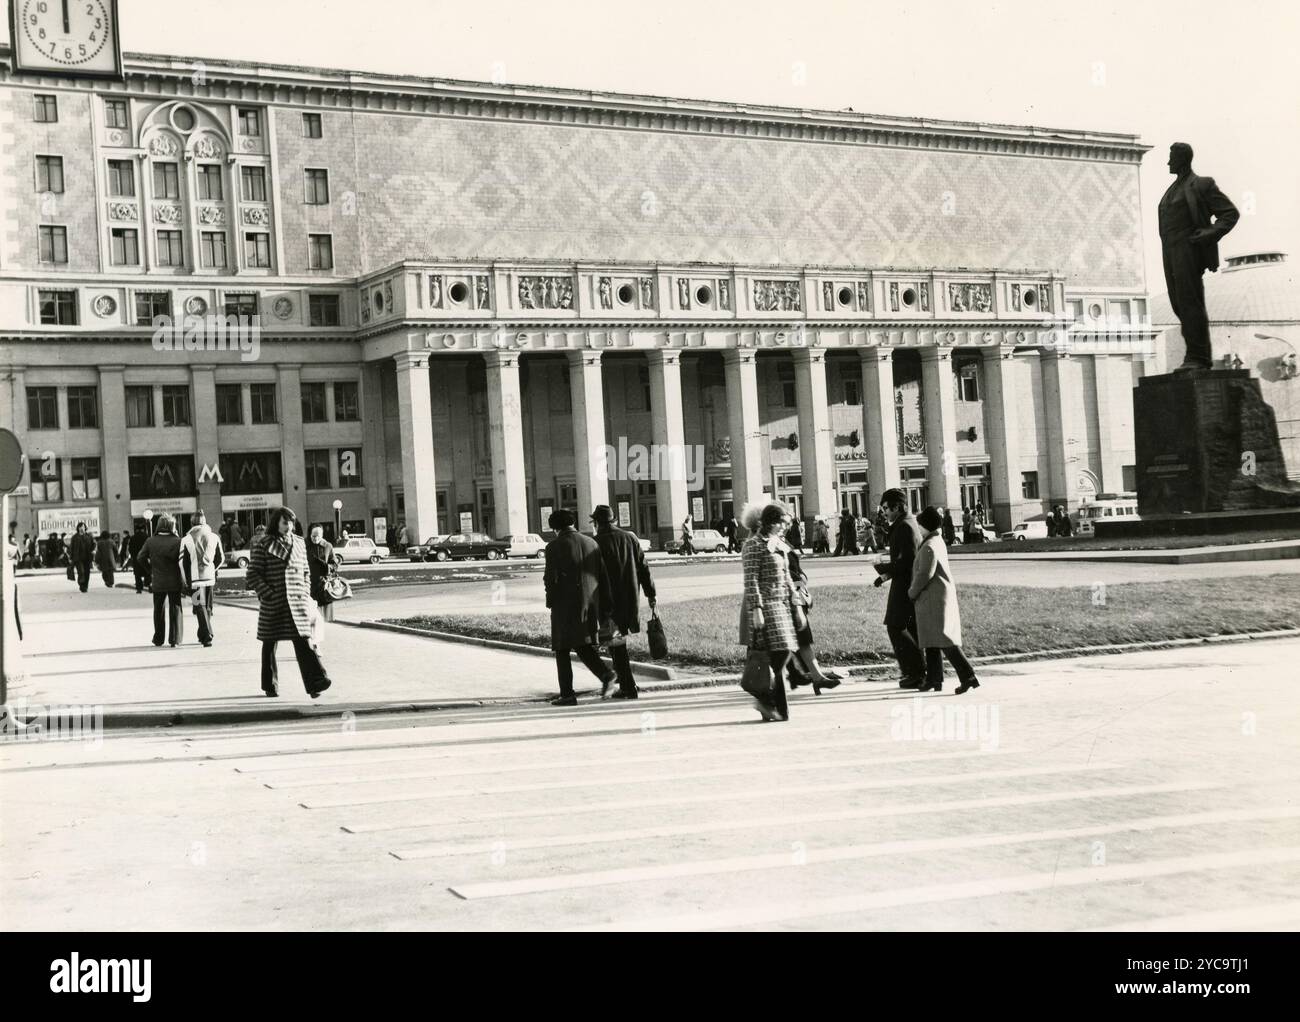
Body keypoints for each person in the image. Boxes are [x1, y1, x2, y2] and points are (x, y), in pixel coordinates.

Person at [1160, 142, 1240, 370]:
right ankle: (1195, 353)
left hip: (1189, 249)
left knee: (1190, 301)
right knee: (1178, 303)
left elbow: (1230, 214)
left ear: (1183, 159)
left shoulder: (1202, 184)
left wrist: (1208, 234)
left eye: (1172, 158)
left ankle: (1198, 357)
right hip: (1170, 251)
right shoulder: (1172, 189)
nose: (1168, 162)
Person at [247, 506, 331, 698]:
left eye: (292, 522)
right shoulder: (264, 544)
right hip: (275, 603)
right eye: (285, 523)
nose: (289, 527)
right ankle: (270, 685)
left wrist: (305, 591)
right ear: (276, 523)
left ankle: (316, 683)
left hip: (297, 602)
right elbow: (252, 573)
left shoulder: (300, 543)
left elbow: (306, 572)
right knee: (269, 644)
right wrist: (267, 593)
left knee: (304, 642)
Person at [543, 509, 616, 706]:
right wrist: (606, 604)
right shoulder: (592, 542)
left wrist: (550, 600)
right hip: (590, 604)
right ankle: (606, 674)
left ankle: (567, 694)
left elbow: (550, 578)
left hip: (565, 605)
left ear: (556, 528)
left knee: (562, 648)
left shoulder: (554, 547)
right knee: (582, 644)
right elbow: (603, 575)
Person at [908, 506, 980, 694]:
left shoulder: (929, 545)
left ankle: (968, 676)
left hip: (932, 598)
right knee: (931, 640)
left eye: (919, 524)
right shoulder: (935, 540)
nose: (918, 527)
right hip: (936, 597)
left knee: (944, 641)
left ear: (925, 526)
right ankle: (934, 679)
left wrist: (912, 592)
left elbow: (925, 574)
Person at [739, 500, 797, 722]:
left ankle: (771, 704)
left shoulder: (777, 543)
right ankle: (769, 702)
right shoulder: (753, 545)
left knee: (781, 655)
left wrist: (794, 594)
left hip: (781, 605)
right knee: (779, 654)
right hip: (767, 606)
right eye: (780, 523)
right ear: (770, 522)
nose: (783, 527)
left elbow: (786, 573)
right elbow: (751, 579)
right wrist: (756, 609)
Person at [590, 504, 656, 700]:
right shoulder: (631, 538)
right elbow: (644, 569)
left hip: (608, 603)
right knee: (617, 643)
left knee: (617, 645)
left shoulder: (595, 543)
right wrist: (651, 593)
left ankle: (628, 687)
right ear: (614, 520)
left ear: (596, 522)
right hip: (629, 600)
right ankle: (625, 684)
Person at [873, 488, 926, 689]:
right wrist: (885, 576)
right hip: (907, 582)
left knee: (895, 626)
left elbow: (907, 561)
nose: (884, 512)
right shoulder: (906, 523)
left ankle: (915, 672)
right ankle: (917, 672)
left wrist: (882, 567)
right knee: (908, 628)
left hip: (905, 585)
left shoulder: (903, 526)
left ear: (898, 507)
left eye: (886, 507)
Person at [784, 545, 844, 695]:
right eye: (782, 521)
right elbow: (790, 575)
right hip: (788, 600)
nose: (785, 524)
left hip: (796, 597)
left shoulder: (783, 543)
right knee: (788, 642)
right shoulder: (773, 544)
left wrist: (803, 587)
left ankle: (816, 677)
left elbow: (797, 572)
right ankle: (791, 677)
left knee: (803, 640)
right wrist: (800, 592)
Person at [180, 510, 224, 648]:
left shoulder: (186, 539)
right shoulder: (214, 537)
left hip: (194, 580)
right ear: (205, 521)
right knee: (208, 607)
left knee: (199, 606)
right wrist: (212, 569)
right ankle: (203, 633)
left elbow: (182, 563)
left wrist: (185, 579)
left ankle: (206, 635)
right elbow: (221, 558)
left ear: (192, 523)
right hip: (210, 578)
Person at [139, 514, 184, 647]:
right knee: (175, 608)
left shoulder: (150, 541)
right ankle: (175, 639)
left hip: (158, 580)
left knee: (158, 609)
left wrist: (150, 571)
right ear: (172, 526)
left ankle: (158, 638)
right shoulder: (178, 541)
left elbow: (140, 557)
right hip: (174, 579)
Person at [307, 524, 336, 623]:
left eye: (317, 536)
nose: (315, 538)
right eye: (313, 536)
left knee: (324, 618)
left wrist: (328, 567)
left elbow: (334, 564)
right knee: (311, 616)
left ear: (322, 535)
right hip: (308, 584)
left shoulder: (328, 546)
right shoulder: (305, 545)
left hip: (323, 584)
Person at [68, 523, 95, 593]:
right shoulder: (74, 537)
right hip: (78, 558)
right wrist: (71, 558)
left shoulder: (89, 536)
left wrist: (93, 550)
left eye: (83, 527)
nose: (81, 528)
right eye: (80, 527)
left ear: (85, 528)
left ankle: (85, 586)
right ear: (78, 528)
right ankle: (81, 585)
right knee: (81, 572)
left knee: (87, 573)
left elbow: (94, 544)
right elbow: (71, 548)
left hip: (87, 558)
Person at [128, 523, 150, 593]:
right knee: (147, 572)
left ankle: (139, 588)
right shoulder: (147, 537)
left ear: (136, 530)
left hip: (136, 557)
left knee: (137, 574)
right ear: (143, 529)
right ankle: (149, 586)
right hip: (145, 557)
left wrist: (132, 555)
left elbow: (130, 548)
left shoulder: (133, 537)